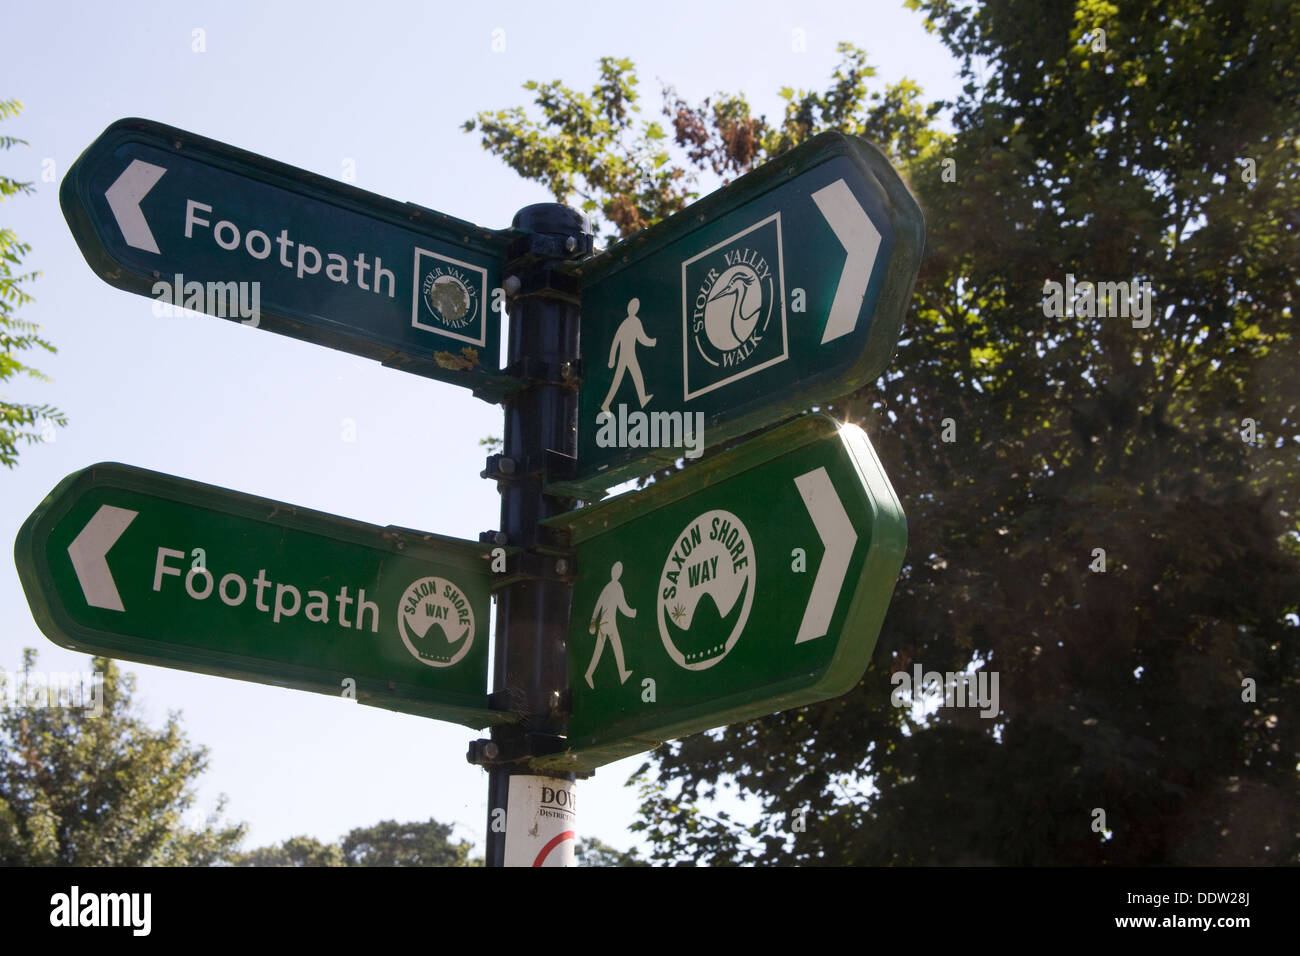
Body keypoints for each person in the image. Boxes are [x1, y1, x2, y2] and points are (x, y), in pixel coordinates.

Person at [586, 561, 636, 689]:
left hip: (603, 623)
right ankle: (622, 674)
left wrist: (593, 620)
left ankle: (589, 673)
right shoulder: (617, 587)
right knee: (617, 648)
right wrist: (633, 613)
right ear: (617, 573)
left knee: (598, 651)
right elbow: (622, 606)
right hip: (610, 624)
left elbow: (598, 605)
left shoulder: (607, 587)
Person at [601, 298, 656, 412]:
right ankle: (606, 404)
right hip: (626, 356)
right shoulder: (631, 322)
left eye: (635, 307)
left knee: (635, 376)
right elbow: (639, 338)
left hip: (628, 355)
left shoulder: (628, 322)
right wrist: (652, 342)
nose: (633, 309)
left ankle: (642, 398)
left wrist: (612, 359)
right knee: (619, 380)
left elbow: (638, 337)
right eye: (633, 306)